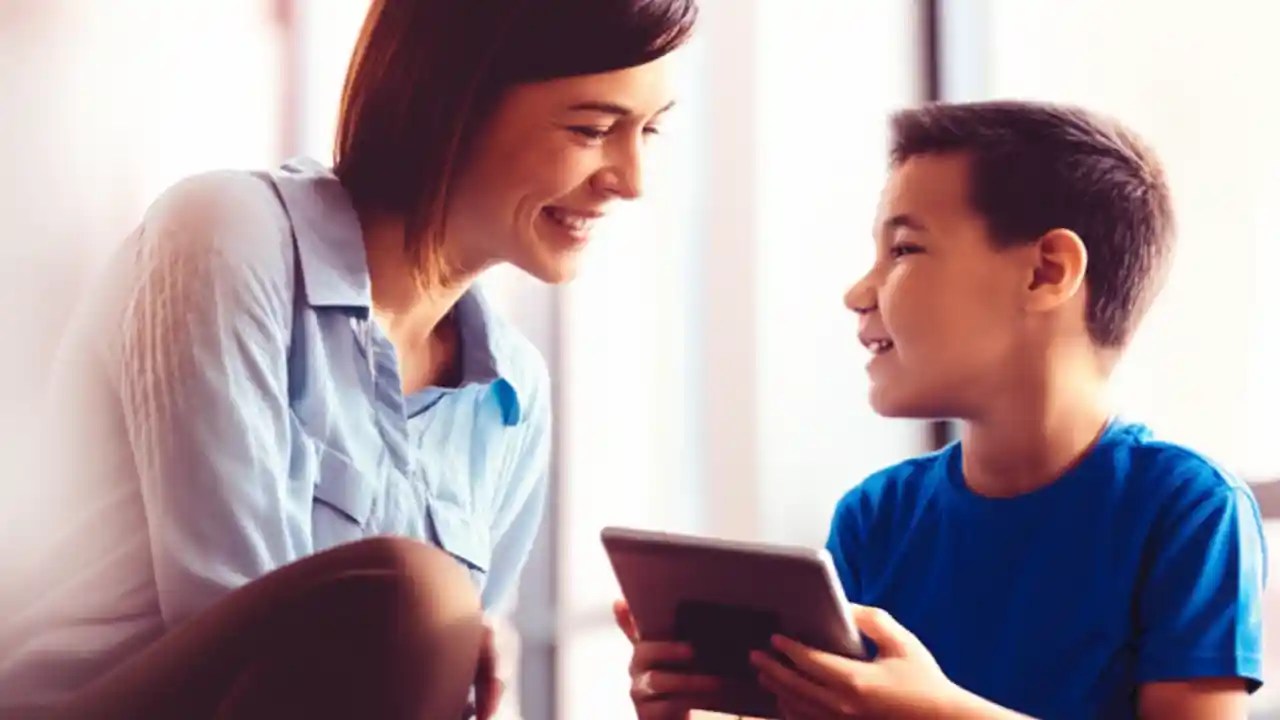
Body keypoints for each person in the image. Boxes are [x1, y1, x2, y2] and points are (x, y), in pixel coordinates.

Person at [0, 0, 697, 717]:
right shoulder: (227, 237)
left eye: (649, 130)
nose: (632, 178)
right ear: (451, 100)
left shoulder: (513, 393)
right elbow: (262, 639)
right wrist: (435, 627)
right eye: (592, 130)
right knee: (412, 593)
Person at [618, 101, 1266, 719]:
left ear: (1046, 271)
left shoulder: (1187, 509)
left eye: (903, 250)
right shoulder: (876, 518)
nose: (857, 292)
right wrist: (686, 710)